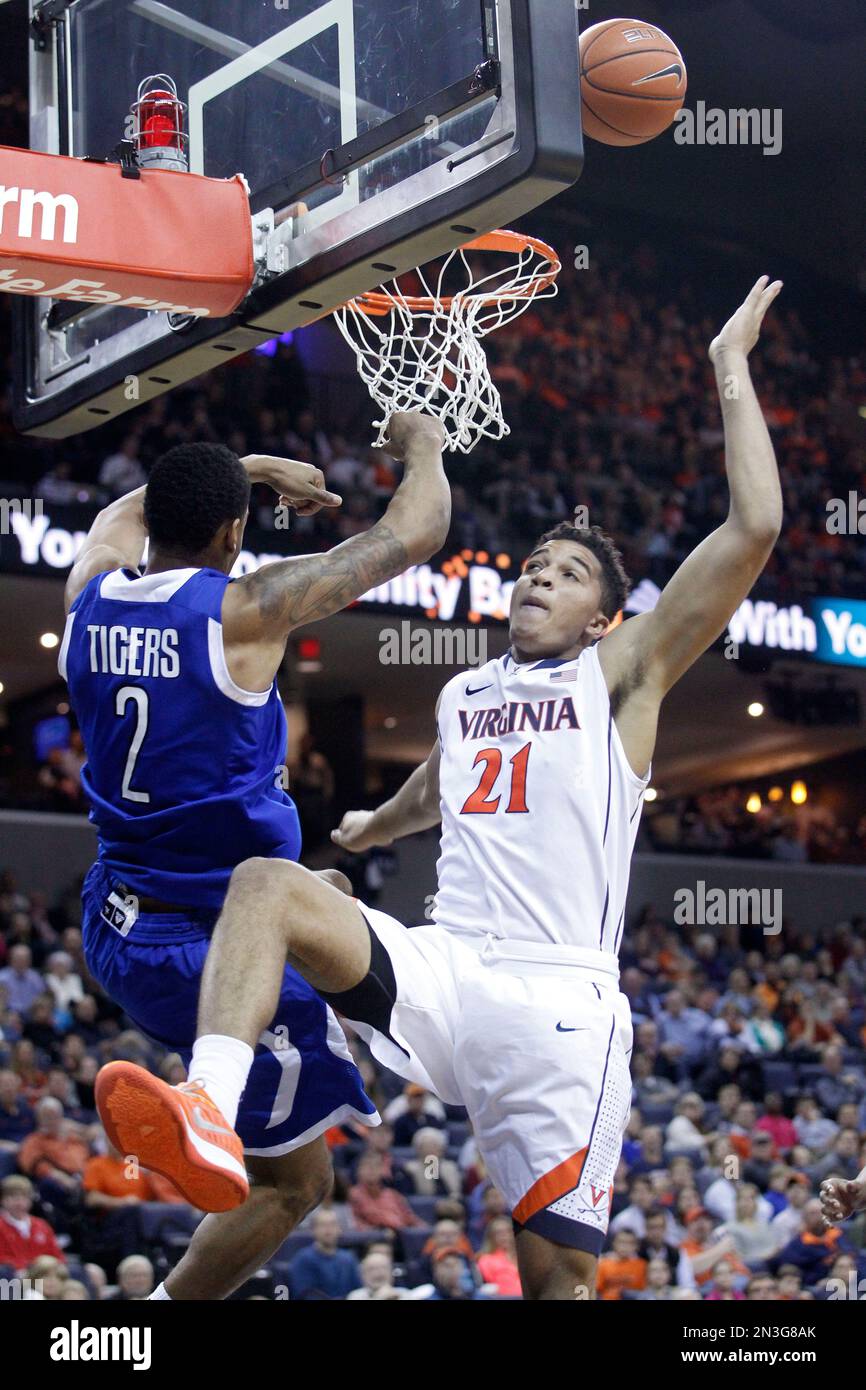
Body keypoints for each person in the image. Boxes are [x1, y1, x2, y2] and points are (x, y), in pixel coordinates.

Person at [105, 280, 784, 1300]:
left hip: (557, 1003)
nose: (536, 579)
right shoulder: (468, 689)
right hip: (448, 966)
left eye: (565, 574)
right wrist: (385, 818)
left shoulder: (623, 673)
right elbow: (446, 778)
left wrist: (729, 366)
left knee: (556, 1279)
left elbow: (753, 527)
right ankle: (210, 1100)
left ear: (606, 618)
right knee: (268, 883)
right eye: (532, 567)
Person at [68, 414, 448, 1301]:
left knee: (326, 887)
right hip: (206, 948)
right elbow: (414, 532)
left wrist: (239, 469)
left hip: (115, 916)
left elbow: (115, 521)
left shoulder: (88, 592)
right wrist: (424, 444)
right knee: (298, 1181)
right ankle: (158, 1302)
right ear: (235, 533)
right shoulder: (246, 610)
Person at [287, 1208, 361, 1300]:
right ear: (313, 1230)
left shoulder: (349, 1259)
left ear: (340, 1229)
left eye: (333, 1224)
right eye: (323, 1225)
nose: (328, 1229)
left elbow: (359, 1291)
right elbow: (304, 1295)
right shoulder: (303, 1259)